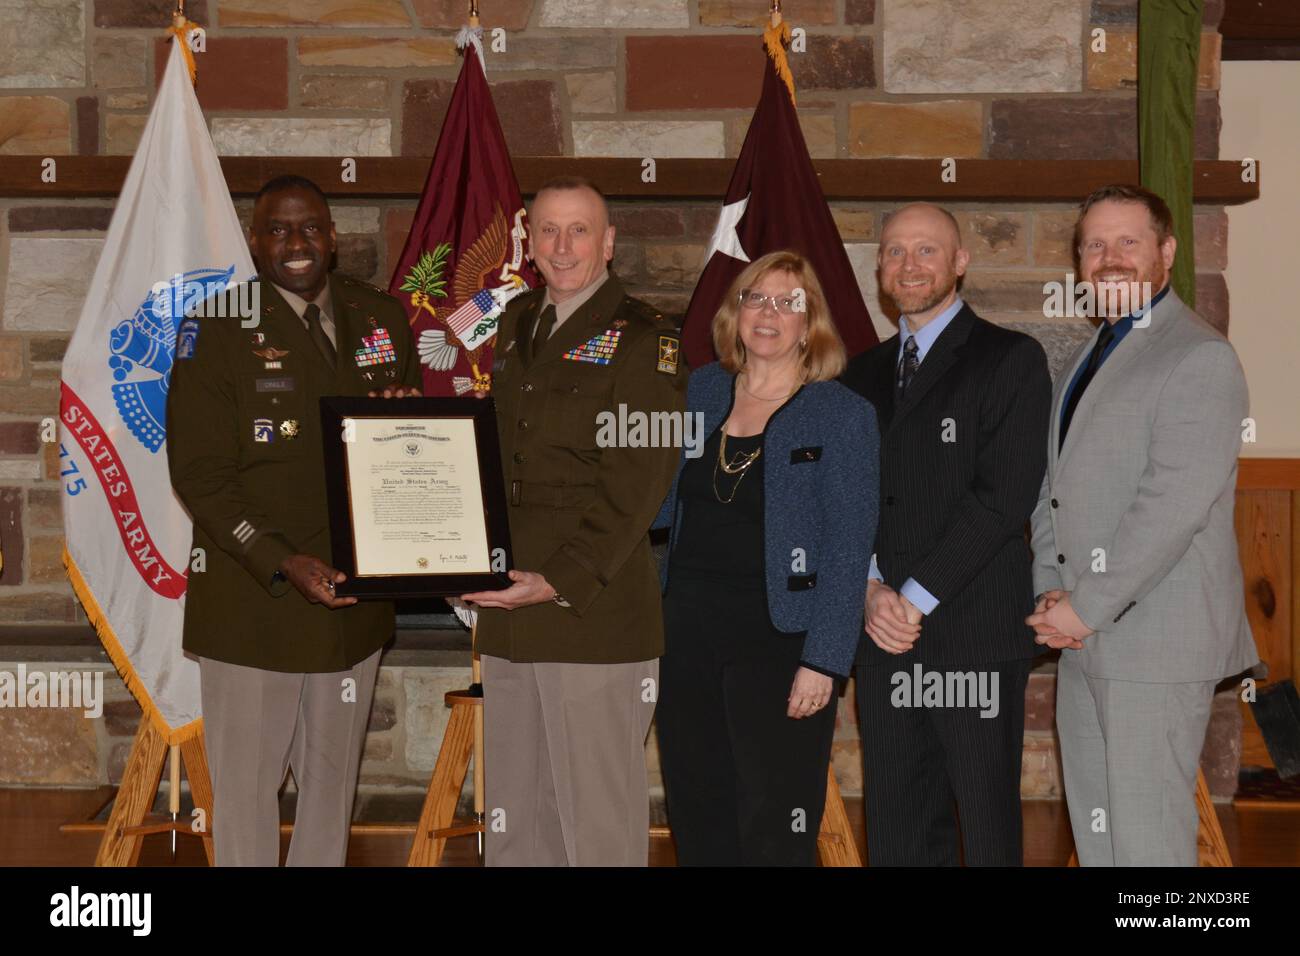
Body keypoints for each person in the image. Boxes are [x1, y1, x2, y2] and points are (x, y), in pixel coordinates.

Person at [167, 174, 421, 865]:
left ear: (333, 238)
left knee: (331, 792)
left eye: (310, 227)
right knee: (247, 794)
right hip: (256, 602)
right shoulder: (214, 328)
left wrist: (406, 418)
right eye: (278, 230)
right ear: (255, 242)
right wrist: (281, 559)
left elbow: (405, 447)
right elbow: (200, 475)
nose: (296, 242)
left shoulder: (381, 317)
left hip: (354, 602)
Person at [1026, 184, 1259, 866]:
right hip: (1083, 637)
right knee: (1100, 841)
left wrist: (1084, 608)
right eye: (1094, 245)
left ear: (1167, 251)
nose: (1110, 258)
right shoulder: (1087, 356)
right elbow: (1053, 491)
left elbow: (1172, 507)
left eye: (1128, 241)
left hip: (1155, 645)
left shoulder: (1199, 356)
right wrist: (1051, 592)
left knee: (1148, 847)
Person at [460, 176, 687, 866]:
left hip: (590, 609)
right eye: (548, 230)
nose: (562, 246)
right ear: (529, 243)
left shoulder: (648, 337)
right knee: (516, 819)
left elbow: (639, 484)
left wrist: (557, 579)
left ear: (608, 242)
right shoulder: (517, 321)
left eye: (579, 230)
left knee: (595, 826)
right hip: (509, 610)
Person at [840, 202, 1052, 866]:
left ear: (960, 262)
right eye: (895, 251)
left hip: (973, 631)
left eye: (927, 250)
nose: (909, 264)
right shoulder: (859, 373)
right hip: (882, 634)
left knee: (985, 828)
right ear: (880, 268)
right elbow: (846, 499)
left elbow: (1003, 498)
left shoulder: (1010, 357)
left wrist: (912, 597)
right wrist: (870, 590)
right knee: (897, 824)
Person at [653, 250, 878, 866]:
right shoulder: (698, 392)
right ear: (736, 312)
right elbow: (655, 508)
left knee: (774, 821)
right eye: (756, 298)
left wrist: (824, 661)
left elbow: (849, 547)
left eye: (788, 302)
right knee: (697, 808)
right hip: (685, 638)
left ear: (811, 322)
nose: (769, 312)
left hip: (782, 644)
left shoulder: (842, 415)